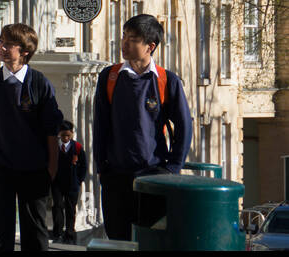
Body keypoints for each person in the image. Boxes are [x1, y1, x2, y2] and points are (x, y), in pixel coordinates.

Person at [0, 23, 62, 251]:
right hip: (1, 166)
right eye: (1, 42)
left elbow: (51, 130)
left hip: (35, 168)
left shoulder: (39, 84)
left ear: (24, 51)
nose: (2, 48)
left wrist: (52, 167)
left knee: (35, 230)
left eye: (8, 44)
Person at [93, 13, 192, 241]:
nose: (124, 43)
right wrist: (102, 167)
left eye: (133, 38)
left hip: (154, 176)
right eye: (124, 36)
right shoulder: (109, 76)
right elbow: (101, 126)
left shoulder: (167, 80)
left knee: (150, 239)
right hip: (116, 176)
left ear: (150, 46)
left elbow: (185, 125)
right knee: (118, 238)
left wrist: (172, 168)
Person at [52, 120, 88, 244]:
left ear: (72, 134)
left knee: (70, 209)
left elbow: (83, 165)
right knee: (57, 206)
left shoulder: (77, 147)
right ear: (59, 134)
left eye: (68, 135)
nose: (65, 138)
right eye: (63, 135)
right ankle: (57, 233)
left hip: (72, 184)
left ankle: (69, 235)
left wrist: (79, 180)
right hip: (57, 183)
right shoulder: (55, 147)